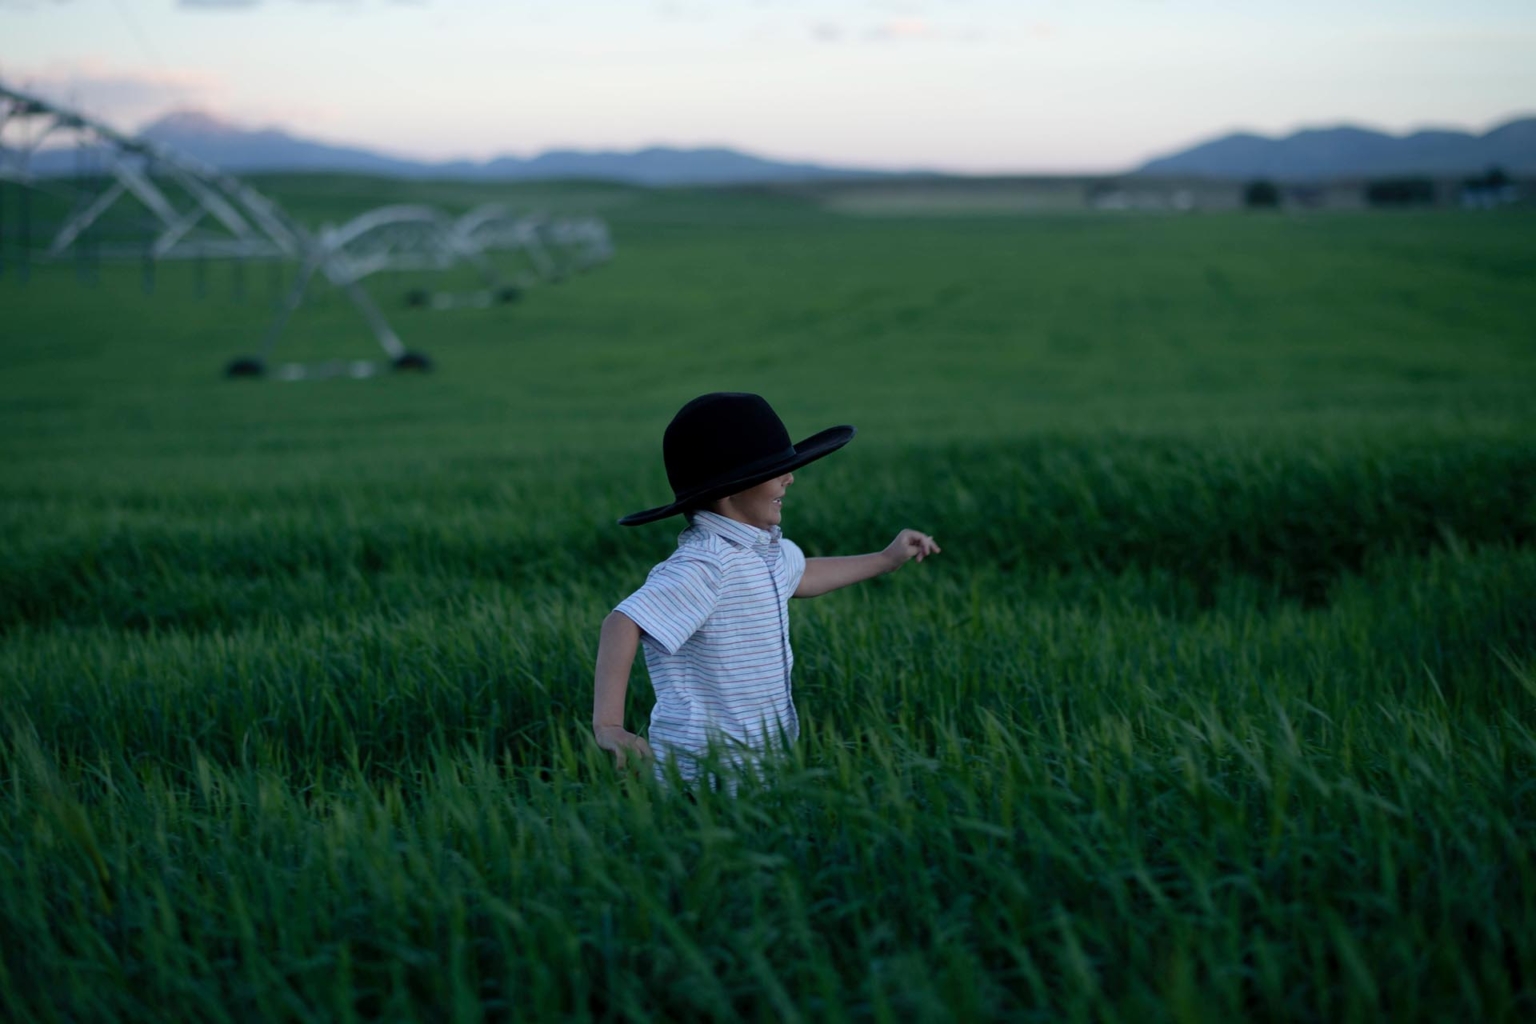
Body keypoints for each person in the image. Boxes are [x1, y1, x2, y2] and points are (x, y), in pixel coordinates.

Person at [592, 392, 940, 784]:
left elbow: (801, 575)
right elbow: (623, 621)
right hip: (702, 771)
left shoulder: (760, 549)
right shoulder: (707, 564)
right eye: (777, 470)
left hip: (759, 763)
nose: (790, 478)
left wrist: (883, 559)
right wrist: (609, 725)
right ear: (731, 490)